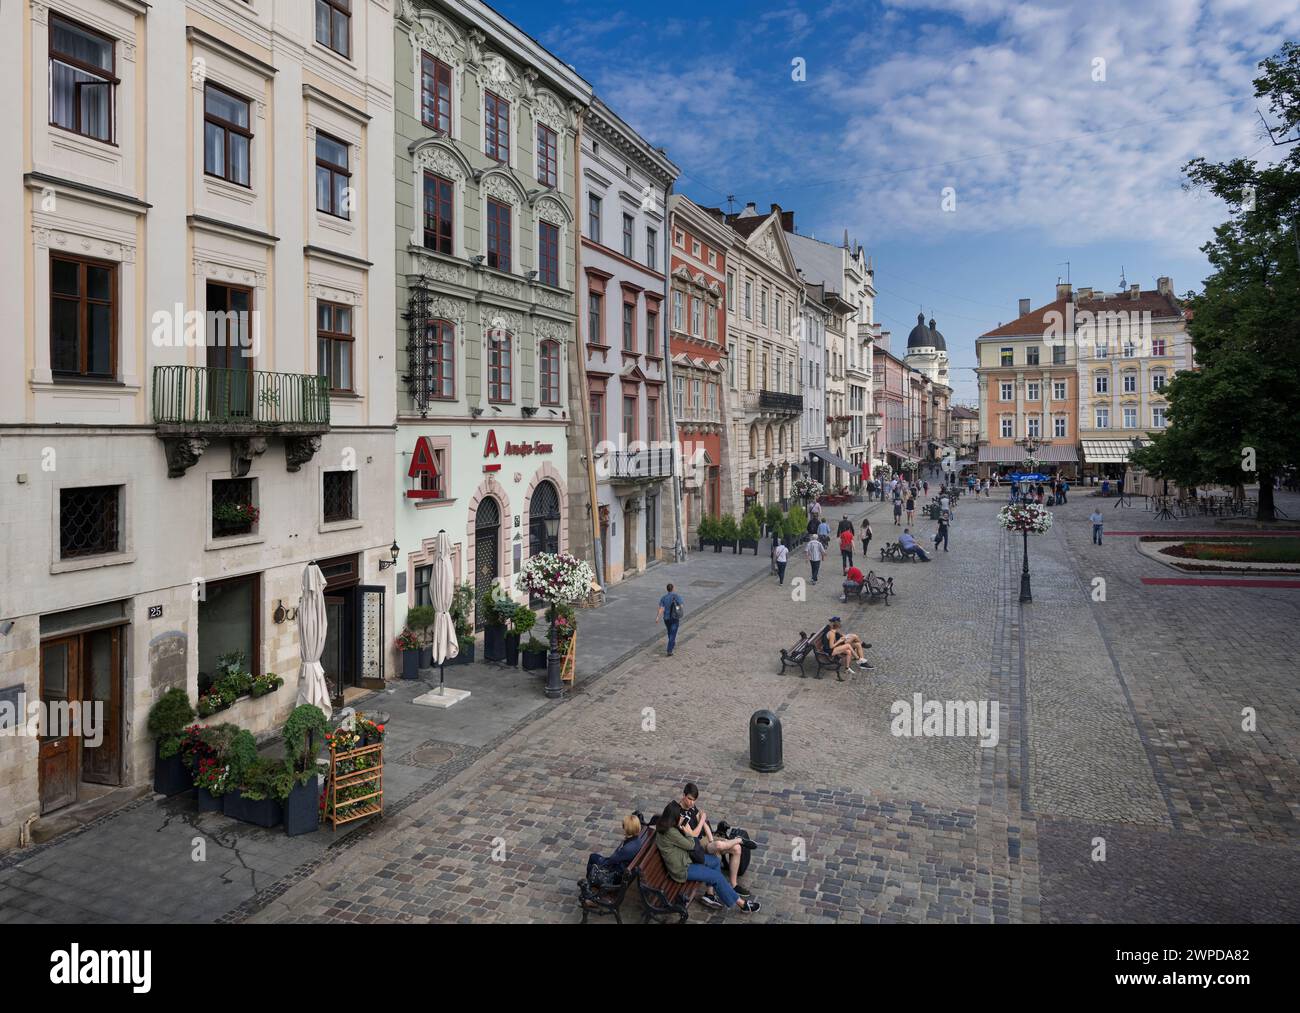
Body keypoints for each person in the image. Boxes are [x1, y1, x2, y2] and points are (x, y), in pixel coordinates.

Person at [655, 802, 760, 913]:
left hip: (685, 859)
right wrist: (687, 832)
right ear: (673, 816)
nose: (682, 817)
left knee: (715, 861)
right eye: (680, 815)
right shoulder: (671, 832)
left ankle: (710, 895)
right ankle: (742, 904)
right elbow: (692, 845)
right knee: (715, 876)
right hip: (682, 869)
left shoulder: (667, 826)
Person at [676, 783, 748, 894]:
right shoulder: (680, 814)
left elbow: (704, 824)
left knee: (737, 849)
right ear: (683, 795)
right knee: (719, 845)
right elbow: (693, 835)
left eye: (694, 800)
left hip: (705, 840)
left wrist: (710, 840)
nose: (692, 802)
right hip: (696, 845)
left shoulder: (692, 806)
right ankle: (740, 839)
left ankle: (734, 885)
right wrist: (702, 820)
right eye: (689, 799)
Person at [585, 813, 645, 887]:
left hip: (617, 876)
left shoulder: (627, 849)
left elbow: (611, 860)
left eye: (624, 826)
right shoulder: (638, 841)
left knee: (593, 857)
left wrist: (601, 862)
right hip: (626, 868)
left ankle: (589, 882)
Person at [656, 583, 684, 657]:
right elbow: (681, 606)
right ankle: (669, 650)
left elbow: (661, 608)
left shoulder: (664, 598)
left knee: (669, 632)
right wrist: (677, 609)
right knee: (673, 634)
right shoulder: (677, 596)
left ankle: (671, 643)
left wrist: (658, 617)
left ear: (667, 589)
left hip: (666, 618)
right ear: (673, 588)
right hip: (674, 618)